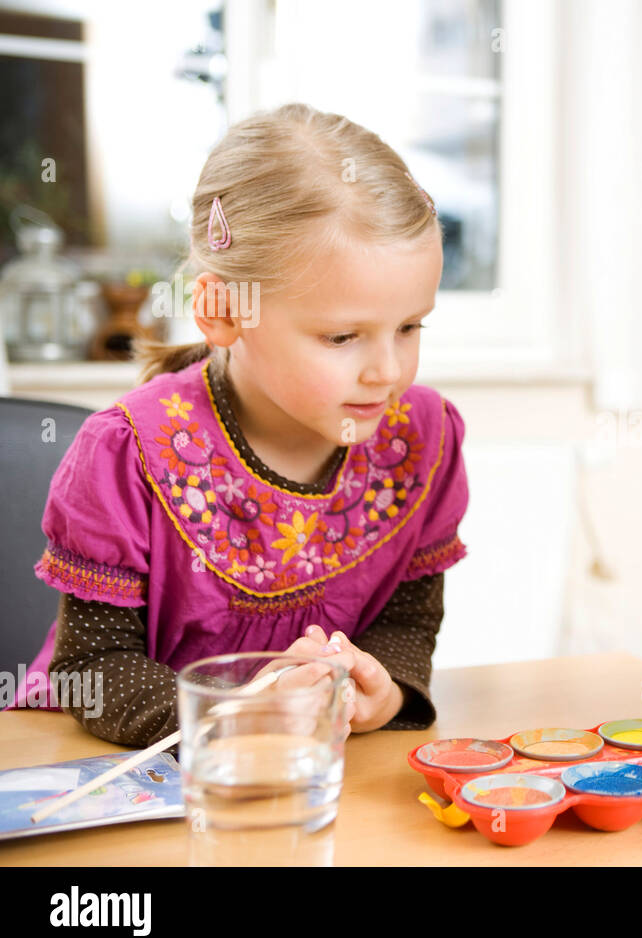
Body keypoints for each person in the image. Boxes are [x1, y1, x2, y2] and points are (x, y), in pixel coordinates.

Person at [17, 103, 468, 747]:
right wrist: (239, 716)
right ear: (222, 310)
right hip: (119, 776)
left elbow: (407, 621)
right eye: (343, 336)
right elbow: (93, 670)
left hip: (299, 779)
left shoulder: (424, 439)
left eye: (410, 326)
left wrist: (384, 690)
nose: (388, 371)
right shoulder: (126, 454)